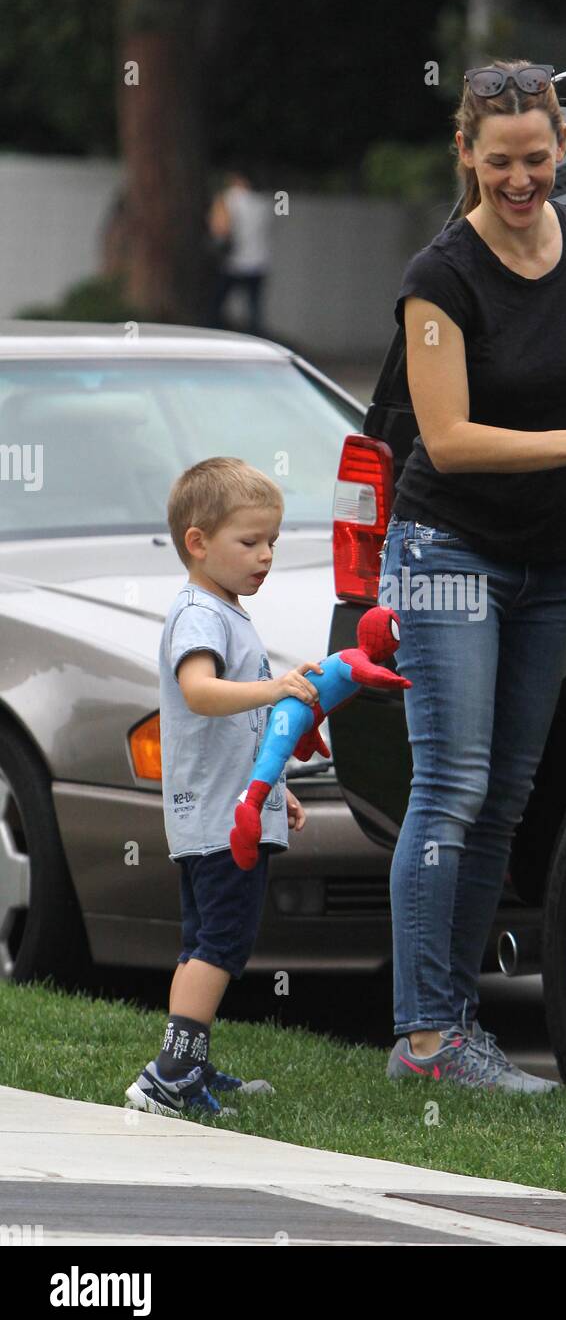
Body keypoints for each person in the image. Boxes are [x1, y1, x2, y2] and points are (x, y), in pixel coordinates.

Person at [380, 59, 566, 1092]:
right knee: (452, 784)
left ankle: (454, 1029)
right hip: (446, 551)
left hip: (541, 557)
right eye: (499, 161)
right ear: (465, 154)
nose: (520, 181)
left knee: (506, 793)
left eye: (538, 158)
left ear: (560, 145)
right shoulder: (440, 278)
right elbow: (449, 440)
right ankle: (425, 1037)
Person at [125, 457, 323, 1116]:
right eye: (250, 542)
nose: (265, 555)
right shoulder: (199, 614)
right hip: (215, 821)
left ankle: (189, 1066)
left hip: (224, 809)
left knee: (202, 941)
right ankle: (170, 1074)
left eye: (272, 541)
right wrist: (274, 687)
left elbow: (239, 734)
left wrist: (275, 788)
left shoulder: (226, 610)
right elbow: (200, 692)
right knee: (221, 944)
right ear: (198, 543)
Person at [207, 171, 272, 335]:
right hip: (258, 262)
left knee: (216, 304)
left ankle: (213, 333)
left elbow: (218, 228)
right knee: (254, 309)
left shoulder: (229, 198)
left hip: (234, 262)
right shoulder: (262, 203)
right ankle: (255, 338)